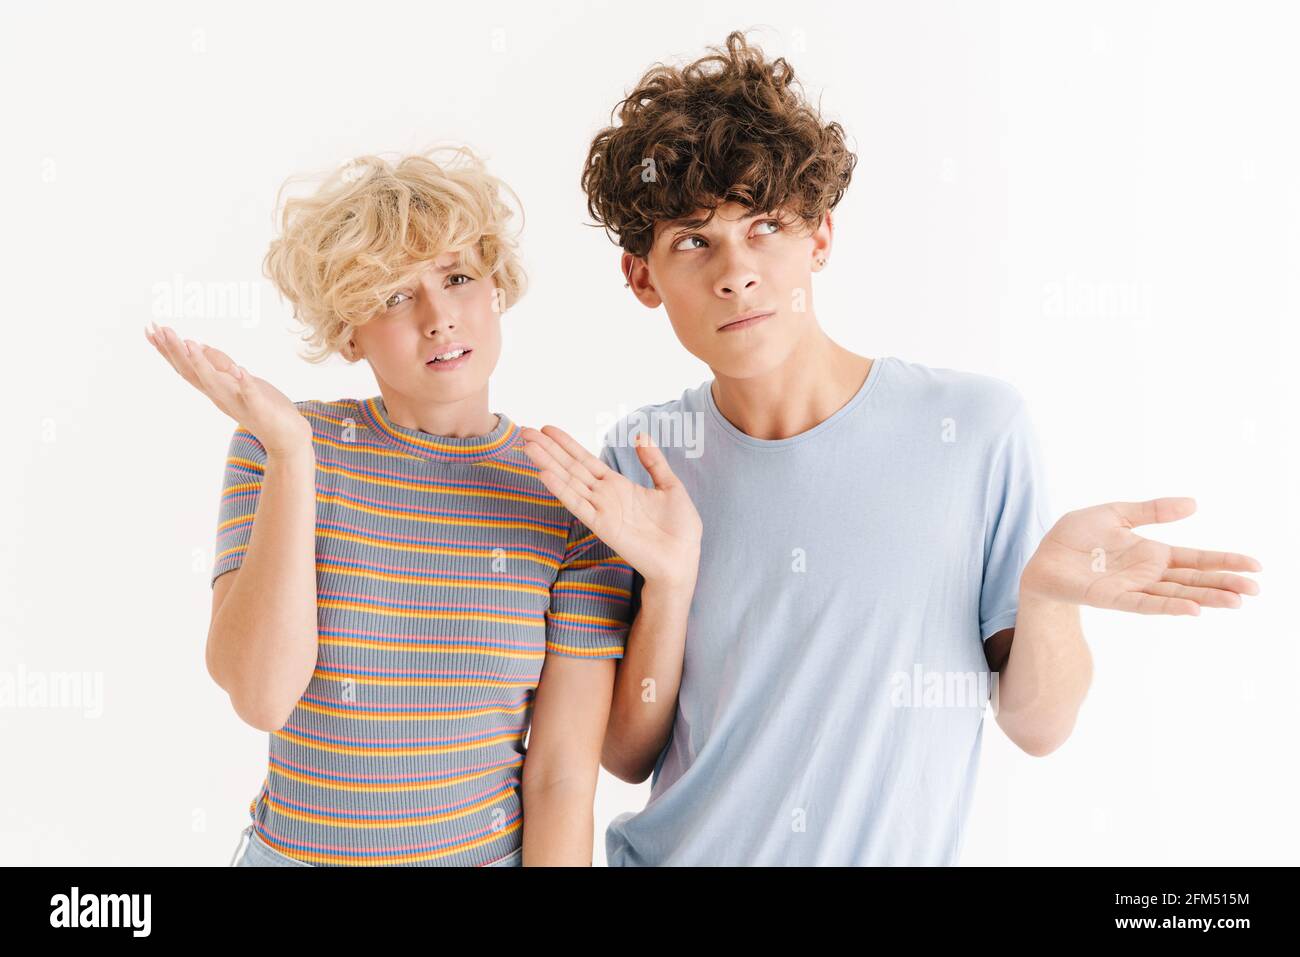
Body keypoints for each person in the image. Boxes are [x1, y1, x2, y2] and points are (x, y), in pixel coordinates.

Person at [522, 30, 1263, 865]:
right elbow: (627, 753)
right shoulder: (644, 454)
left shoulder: (977, 428)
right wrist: (669, 583)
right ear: (643, 278)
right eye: (694, 240)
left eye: (765, 226)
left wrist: (1049, 600)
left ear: (821, 238)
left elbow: (1039, 728)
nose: (737, 272)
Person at [145, 147, 699, 866]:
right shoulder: (282, 445)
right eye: (393, 295)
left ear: (496, 289)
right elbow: (260, 696)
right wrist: (289, 455)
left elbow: (563, 775)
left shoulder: (568, 497)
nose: (439, 316)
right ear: (347, 330)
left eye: (459, 278)